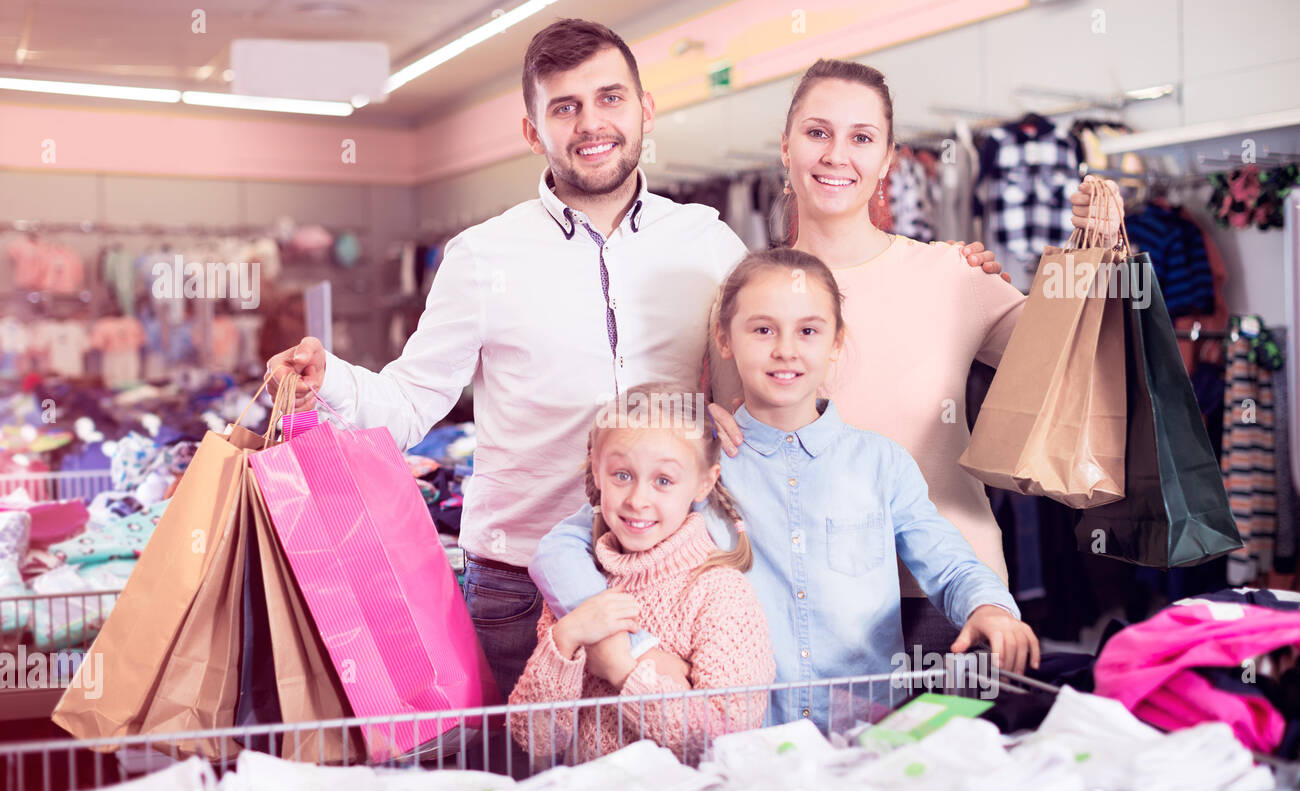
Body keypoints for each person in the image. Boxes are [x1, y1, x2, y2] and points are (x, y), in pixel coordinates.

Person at [263, 22, 1006, 698]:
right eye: (565, 108)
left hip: (663, 579)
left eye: (610, 98)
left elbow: (785, 330)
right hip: (518, 586)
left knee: (657, 789)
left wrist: (948, 268)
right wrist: (334, 382)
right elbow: (410, 402)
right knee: (522, 788)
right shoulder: (480, 256)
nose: (592, 123)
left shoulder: (708, 242)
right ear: (533, 129)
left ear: (644, 110)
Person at [706, 59, 1125, 656]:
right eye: (817, 132)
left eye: (861, 138)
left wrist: (1093, 255)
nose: (836, 155)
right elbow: (727, 445)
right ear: (786, 146)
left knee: (957, 751)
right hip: (800, 599)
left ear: (887, 159)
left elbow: (1065, 357)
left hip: (955, 597)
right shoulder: (744, 298)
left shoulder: (952, 274)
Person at [531, 248, 1038, 731]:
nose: (785, 350)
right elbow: (562, 545)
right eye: (762, 329)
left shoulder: (881, 464)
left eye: (809, 330)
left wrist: (988, 605)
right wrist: (622, 642)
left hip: (862, 735)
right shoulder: (697, 461)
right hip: (742, 739)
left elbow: (947, 561)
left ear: (836, 342)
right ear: (724, 339)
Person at [509, 383, 773, 764]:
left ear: (704, 482)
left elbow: (727, 741)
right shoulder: (583, 588)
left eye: (663, 481)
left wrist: (622, 670)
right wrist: (565, 640)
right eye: (621, 475)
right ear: (597, 473)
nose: (637, 500)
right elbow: (536, 742)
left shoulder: (719, 593)